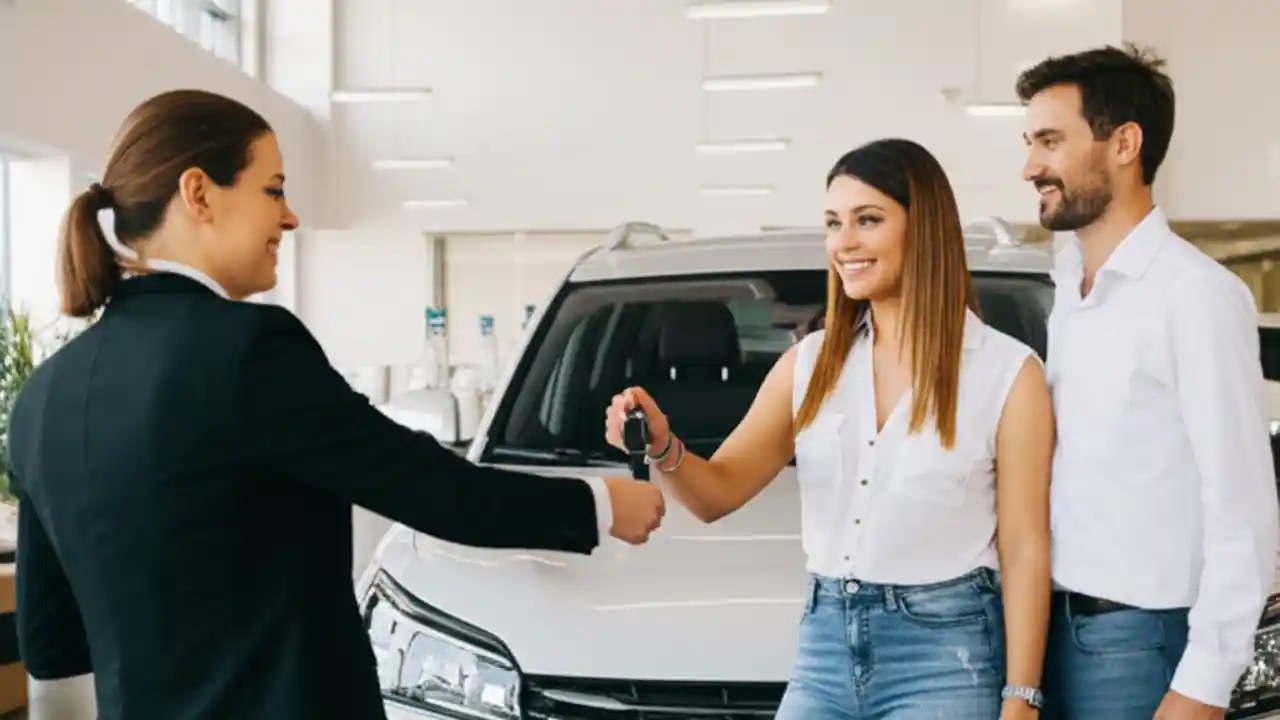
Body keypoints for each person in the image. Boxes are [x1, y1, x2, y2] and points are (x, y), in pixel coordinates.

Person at [6, 89, 665, 720]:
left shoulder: (41, 398)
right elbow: (429, 488)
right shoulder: (247, 351)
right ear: (199, 192)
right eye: (273, 189)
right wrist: (601, 505)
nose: (289, 216)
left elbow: (53, 645)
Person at [605, 138, 1055, 719]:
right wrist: (664, 446)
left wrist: (1022, 697)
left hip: (947, 654)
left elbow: (1024, 548)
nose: (843, 243)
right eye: (833, 223)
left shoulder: (1007, 373)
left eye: (868, 220)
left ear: (925, 229)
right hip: (824, 649)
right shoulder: (810, 364)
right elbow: (716, 494)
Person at [1017, 45, 1280, 719]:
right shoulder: (1069, 288)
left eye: (1050, 141)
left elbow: (1243, 509)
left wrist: (1201, 689)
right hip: (1049, 638)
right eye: (1029, 143)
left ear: (1124, 143)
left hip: (1141, 648)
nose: (1030, 167)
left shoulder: (1193, 296)